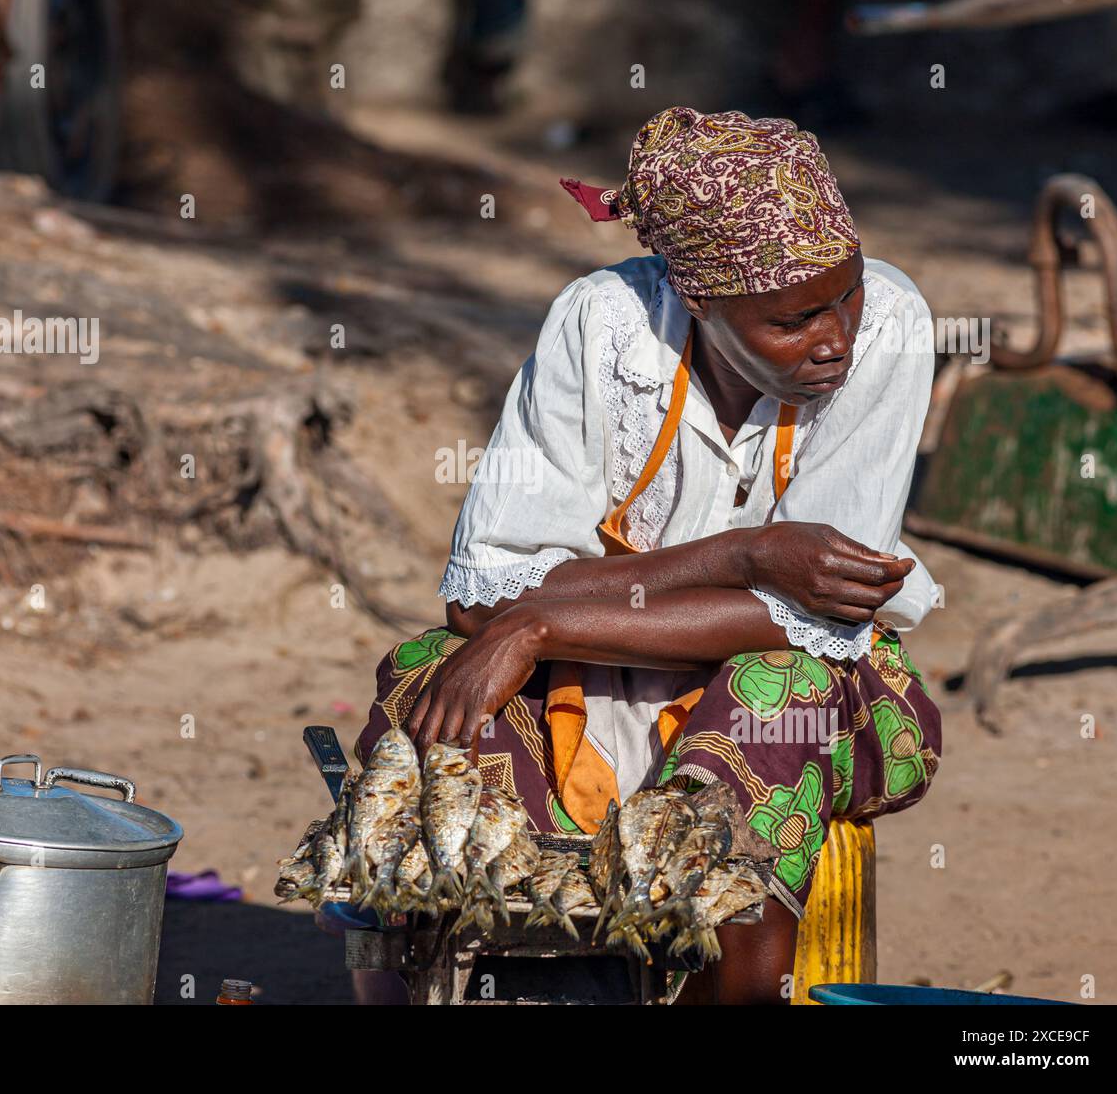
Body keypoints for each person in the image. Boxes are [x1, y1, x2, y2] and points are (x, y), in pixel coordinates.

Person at [355, 106, 942, 1003]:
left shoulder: (890, 325)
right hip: (582, 680)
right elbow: (482, 599)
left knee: (774, 697)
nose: (836, 340)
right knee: (425, 693)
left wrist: (546, 615)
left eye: (845, 293)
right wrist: (746, 557)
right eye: (792, 321)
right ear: (699, 301)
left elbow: (816, 626)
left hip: (818, 692)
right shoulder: (600, 326)